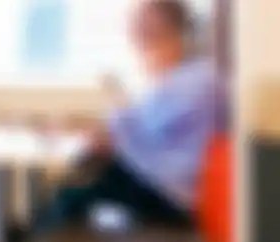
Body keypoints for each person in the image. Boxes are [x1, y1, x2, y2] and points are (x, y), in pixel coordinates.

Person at [38, 0, 222, 230]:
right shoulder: (184, 76)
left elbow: (122, 134)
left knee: (73, 193)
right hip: (167, 183)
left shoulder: (192, 81)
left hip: (171, 193)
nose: (134, 31)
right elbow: (132, 128)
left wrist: (92, 133)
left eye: (141, 24)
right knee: (78, 180)